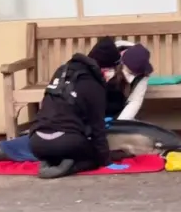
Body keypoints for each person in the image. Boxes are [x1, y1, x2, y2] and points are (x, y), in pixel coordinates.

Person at [29, 36, 125, 179]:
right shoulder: (94, 85)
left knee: (61, 140)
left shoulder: (61, 71)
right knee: (95, 156)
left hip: (36, 143)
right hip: (67, 142)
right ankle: (67, 168)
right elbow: (98, 128)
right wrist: (106, 161)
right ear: (106, 67)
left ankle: (49, 160)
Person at [101, 42, 154, 121]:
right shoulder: (107, 55)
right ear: (122, 62)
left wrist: (120, 124)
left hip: (119, 106)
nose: (132, 78)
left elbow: (135, 101)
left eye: (136, 74)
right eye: (130, 73)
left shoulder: (143, 73)